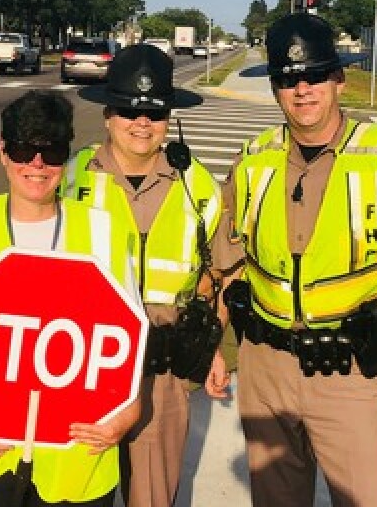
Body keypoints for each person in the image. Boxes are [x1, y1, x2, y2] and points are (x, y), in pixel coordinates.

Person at [218, 13, 377, 507]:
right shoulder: (252, 159)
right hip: (266, 372)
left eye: (315, 75)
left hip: (354, 377)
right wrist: (216, 348)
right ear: (276, 88)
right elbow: (229, 265)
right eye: (288, 79)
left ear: (339, 79)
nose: (302, 89)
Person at [0, 89, 142, 507]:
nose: (37, 165)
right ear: (3, 152)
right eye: (24, 150)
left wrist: (127, 413)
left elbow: (128, 338)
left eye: (52, 151)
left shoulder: (104, 233)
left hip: (74, 461)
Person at [62, 43, 237, 507]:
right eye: (128, 110)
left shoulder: (198, 185)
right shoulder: (70, 177)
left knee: (152, 496)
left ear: (168, 118)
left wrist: (211, 345)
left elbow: (219, 275)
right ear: (108, 115)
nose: (141, 123)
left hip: (161, 370)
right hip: (81, 364)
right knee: (73, 493)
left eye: (155, 113)